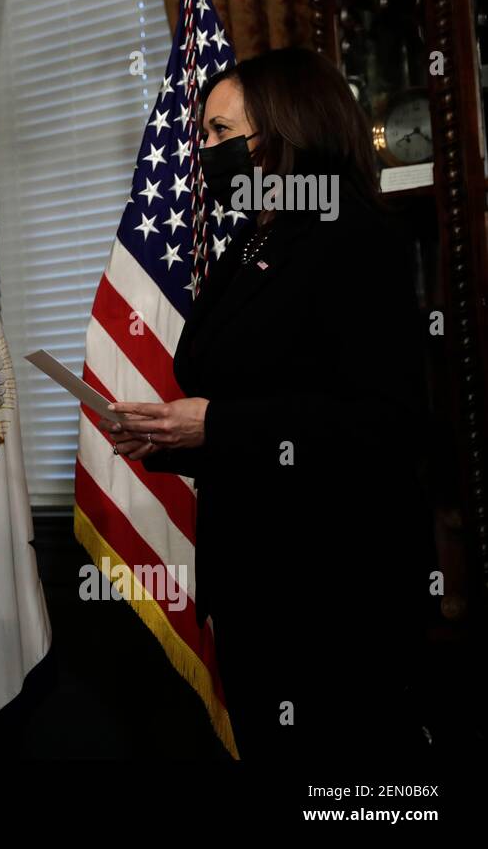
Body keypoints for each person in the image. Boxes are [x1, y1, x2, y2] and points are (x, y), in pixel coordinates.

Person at [102, 48, 430, 758]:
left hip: (337, 593)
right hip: (255, 585)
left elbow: (386, 421)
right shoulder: (253, 242)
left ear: (286, 129)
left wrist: (215, 422)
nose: (205, 151)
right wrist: (171, 437)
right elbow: (245, 401)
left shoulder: (354, 239)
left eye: (222, 133)